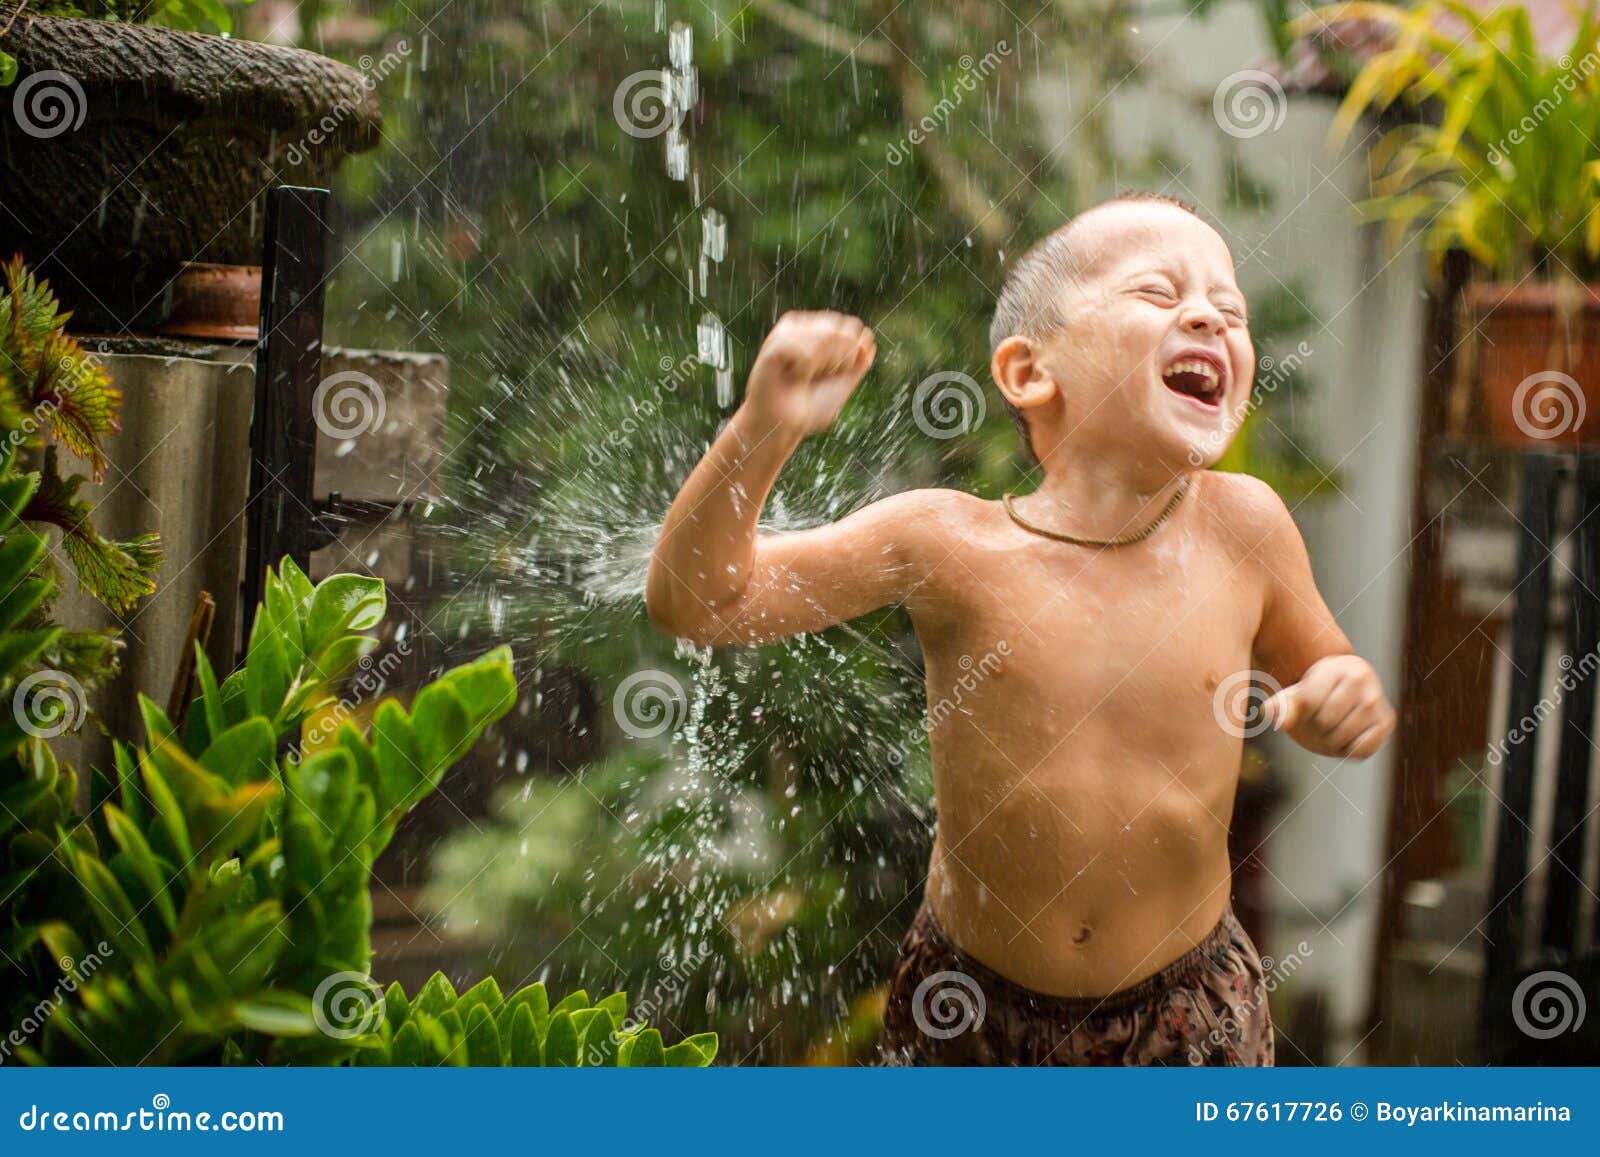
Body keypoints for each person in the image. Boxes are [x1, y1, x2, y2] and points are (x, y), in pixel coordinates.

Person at [645, 192, 1395, 1065]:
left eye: (1230, 310)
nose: (1206, 315)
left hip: (1189, 1007)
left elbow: (1330, 668)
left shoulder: (1245, 528)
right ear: (1029, 372)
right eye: (1157, 293)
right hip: (970, 1006)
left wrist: (1346, 691)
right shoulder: (949, 543)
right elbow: (700, 603)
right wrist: (764, 428)